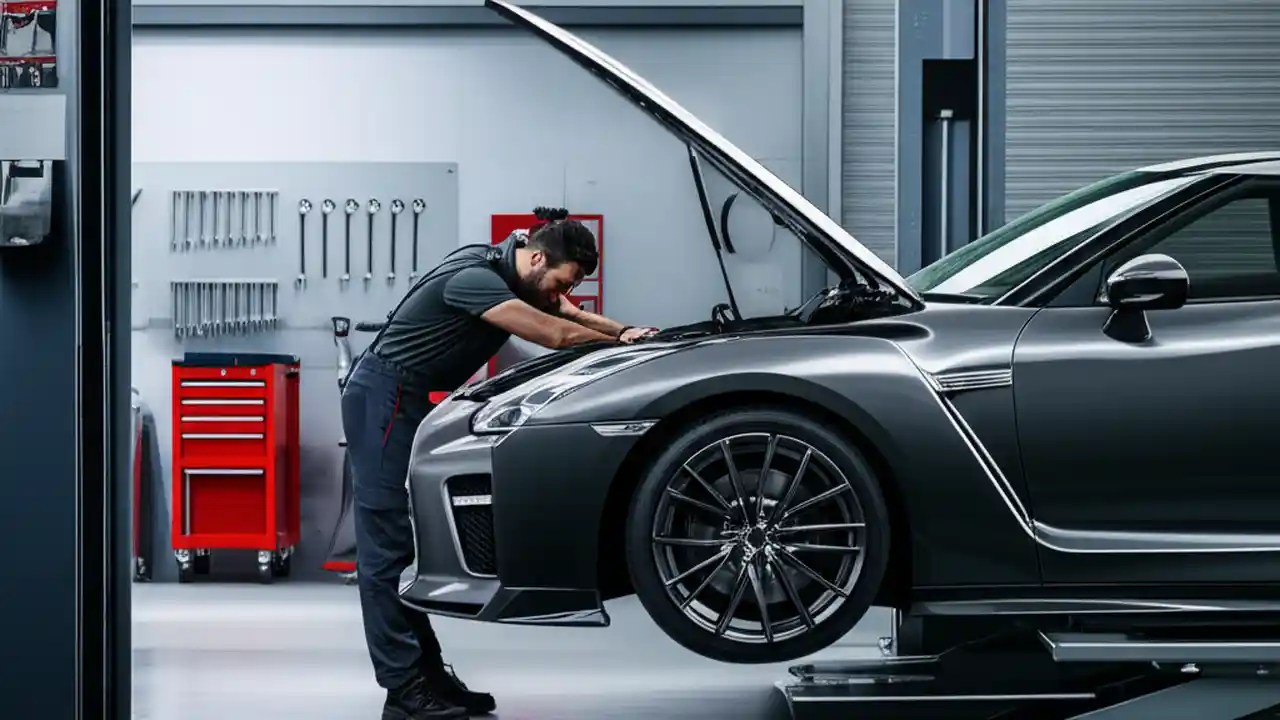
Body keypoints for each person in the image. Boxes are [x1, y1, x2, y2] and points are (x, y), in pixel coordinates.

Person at [340, 212, 657, 719]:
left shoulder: (518, 269)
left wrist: (629, 332)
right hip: (382, 397)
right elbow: (553, 333)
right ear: (536, 259)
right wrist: (616, 346)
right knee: (385, 552)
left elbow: (572, 316)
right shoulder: (476, 280)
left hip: (405, 398)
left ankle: (428, 678)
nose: (563, 293)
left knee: (404, 549)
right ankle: (403, 688)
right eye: (562, 281)